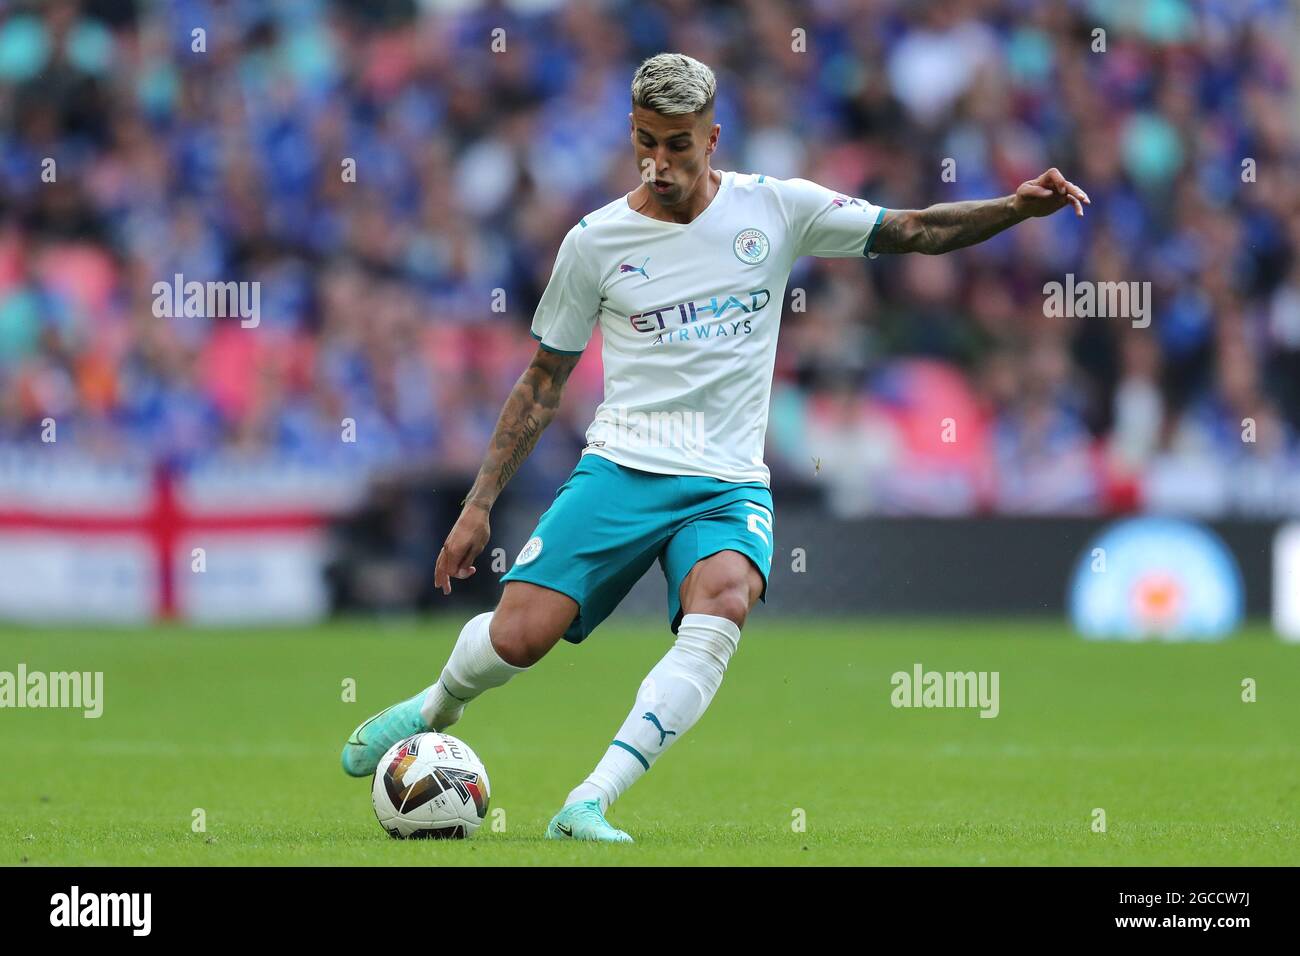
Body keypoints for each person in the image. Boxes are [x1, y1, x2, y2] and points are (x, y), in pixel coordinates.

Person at [341, 52, 1089, 842]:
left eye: (677, 145)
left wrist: (1014, 206)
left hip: (727, 481)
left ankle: (587, 802)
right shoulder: (594, 243)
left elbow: (910, 229)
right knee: (520, 635)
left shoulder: (777, 208)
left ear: (713, 137)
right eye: (644, 143)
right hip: (623, 466)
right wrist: (478, 504)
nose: (658, 163)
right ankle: (433, 707)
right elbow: (541, 382)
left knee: (725, 601)